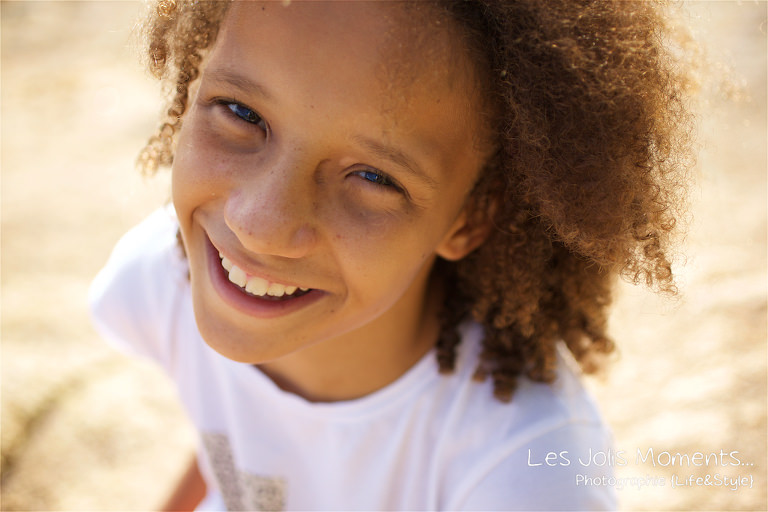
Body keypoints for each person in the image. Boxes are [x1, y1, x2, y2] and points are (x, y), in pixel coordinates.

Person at [90, 0, 693, 510]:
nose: (259, 226)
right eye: (240, 113)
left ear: (471, 216)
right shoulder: (169, 278)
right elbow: (236, 450)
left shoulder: (526, 472)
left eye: (375, 178)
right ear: (195, 78)